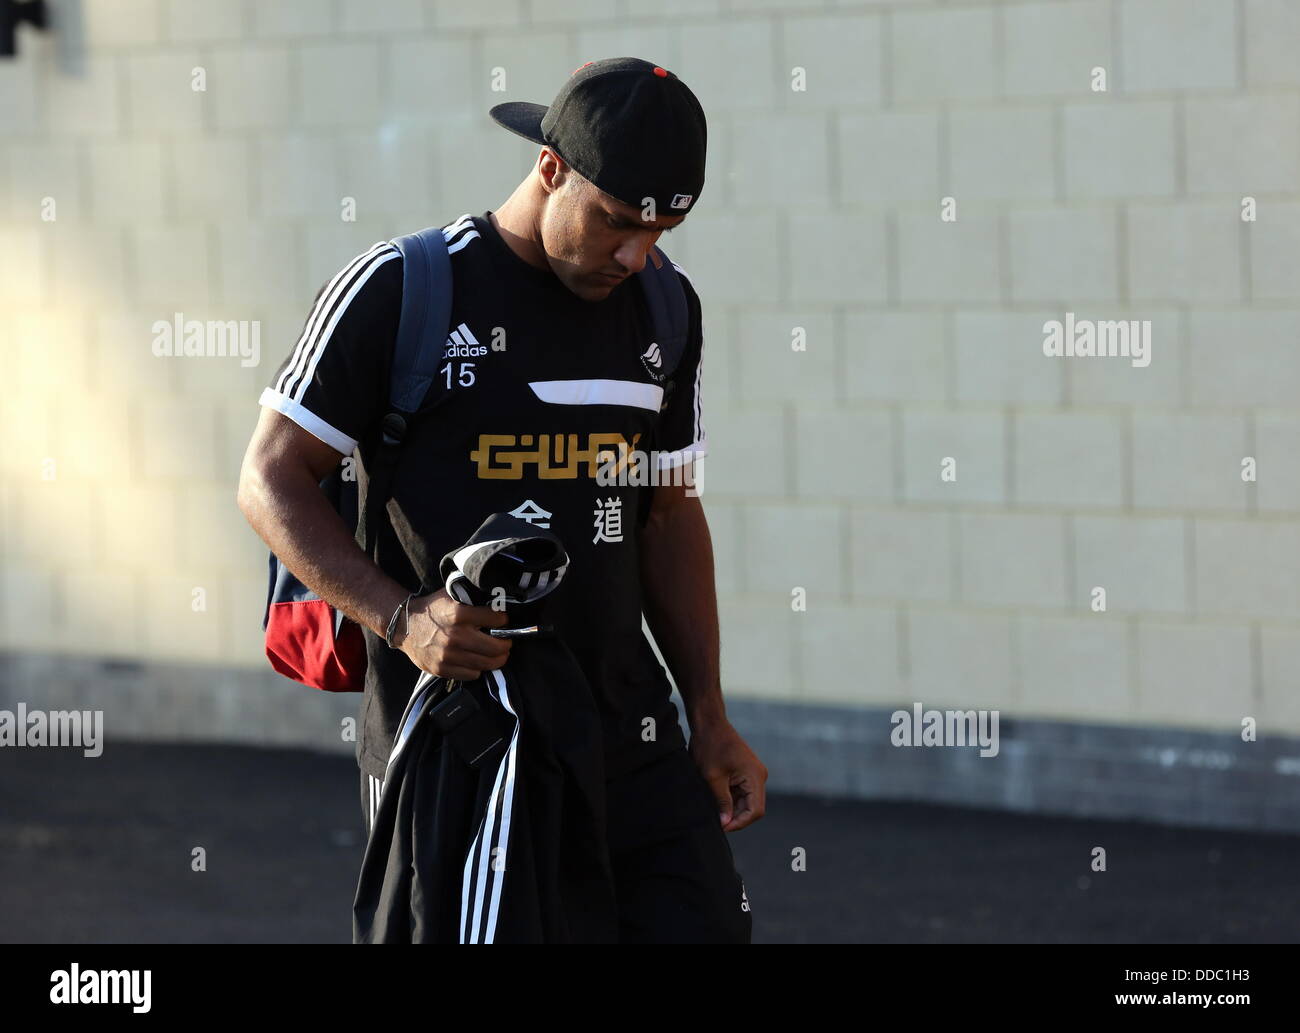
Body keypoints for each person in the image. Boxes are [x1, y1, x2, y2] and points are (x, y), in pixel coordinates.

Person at [237, 56, 765, 943]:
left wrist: (708, 719)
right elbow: (270, 477)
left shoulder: (667, 308)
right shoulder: (403, 288)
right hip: (458, 740)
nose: (637, 254)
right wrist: (403, 617)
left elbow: (669, 513)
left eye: (665, 226)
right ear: (552, 168)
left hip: (628, 737)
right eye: (617, 223)